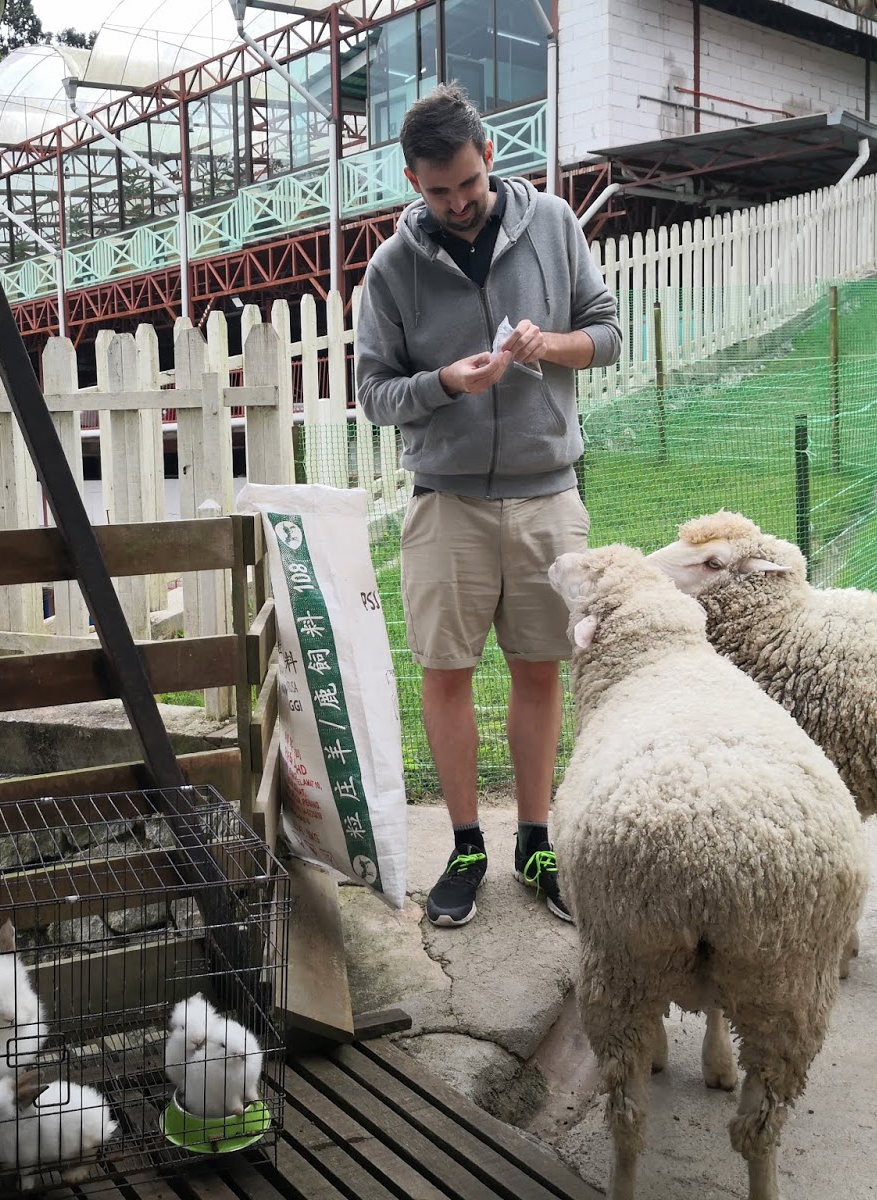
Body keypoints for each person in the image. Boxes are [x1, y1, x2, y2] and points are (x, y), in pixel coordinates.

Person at [354, 83, 622, 927]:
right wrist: (443, 383)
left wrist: (554, 343)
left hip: (549, 493)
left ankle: (535, 840)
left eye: (467, 183)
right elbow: (373, 393)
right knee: (447, 674)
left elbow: (609, 333)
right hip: (445, 504)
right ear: (411, 180)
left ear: (490, 158)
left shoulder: (555, 227)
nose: (458, 203)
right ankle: (466, 845)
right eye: (437, 191)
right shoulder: (390, 270)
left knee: (542, 669)